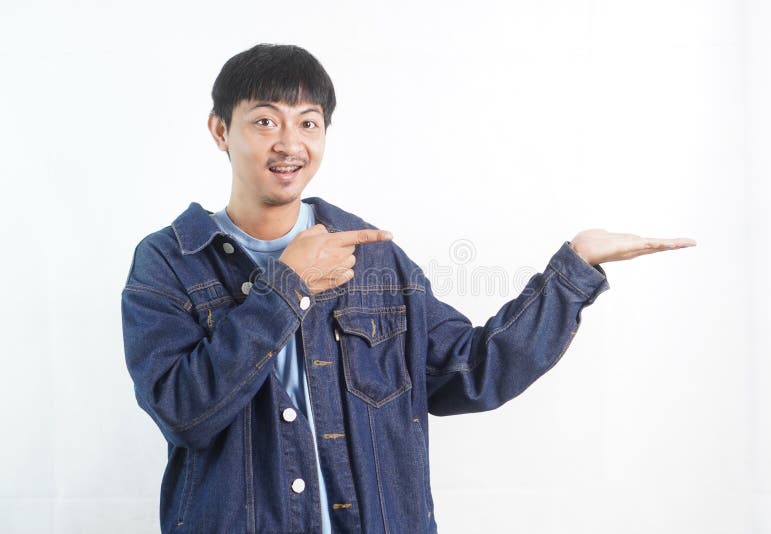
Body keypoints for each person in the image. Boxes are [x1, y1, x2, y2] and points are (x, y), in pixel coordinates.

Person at [120, 43, 696, 534]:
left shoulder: (374, 259)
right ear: (221, 129)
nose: (290, 143)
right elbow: (184, 413)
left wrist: (573, 270)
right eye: (266, 120)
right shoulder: (169, 261)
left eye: (309, 122)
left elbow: (471, 372)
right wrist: (288, 285)